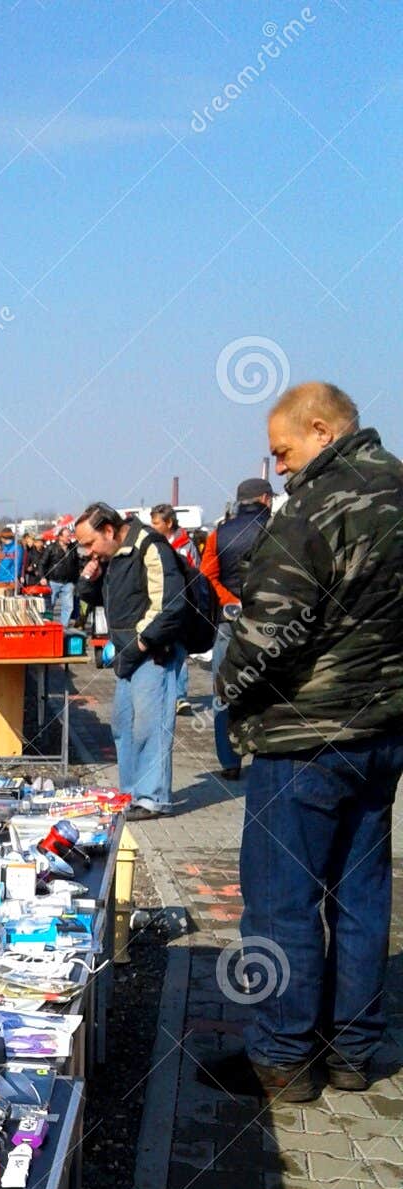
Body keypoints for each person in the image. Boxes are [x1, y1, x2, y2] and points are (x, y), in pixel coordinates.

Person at [215, 381, 403, 1102]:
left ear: (322, 430)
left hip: (305, 738)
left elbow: (268, 634)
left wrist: (228, 689)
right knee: (362, 896)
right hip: (383, 734)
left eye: (284, 452)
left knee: (282, 902)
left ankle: (283, 1057)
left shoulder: (314, 509)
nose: (280, 468)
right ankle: (353, 1050)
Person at [75, 502, 188, 819]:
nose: (88, 551)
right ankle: (131, 794)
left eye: (90, 543)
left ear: (109, 530)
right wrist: (88, 579)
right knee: (124, 726)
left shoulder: (150, 546)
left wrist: (142, 642)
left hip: (151, 652)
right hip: (127, 654)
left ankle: (152, 798)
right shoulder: (112, 556)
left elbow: (170, 603)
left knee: (149, 726)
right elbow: (97, 598)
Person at [199, 477, 273, 780]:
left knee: (224, 690)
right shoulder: (279, 529)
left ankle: (230, 762)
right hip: (271, 622)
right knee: (270, 687)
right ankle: (267, 755)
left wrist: (231, 601)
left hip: (228, 622)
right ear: (265, 499)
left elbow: (206, 576)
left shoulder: (218, 534)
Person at [149, 505, 197, 715]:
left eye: (156, 523)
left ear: (169, 523)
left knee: (179, 651)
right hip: (158, 605)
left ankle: (179, 697)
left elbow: (197, 574)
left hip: (183, 606)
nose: (152, 526)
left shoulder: (186, 546)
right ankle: (162, 693)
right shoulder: (152, 544)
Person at [42, 528, 80, 628]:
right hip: (53, 581)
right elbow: (42, 563)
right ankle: (48, 627)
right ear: (60, 537)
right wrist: (42, 577)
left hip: (68, 582)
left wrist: (77, 578)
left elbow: (77, 563)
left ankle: (63, 628)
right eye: (67, 536)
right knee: (50, 606)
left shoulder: (72, 548)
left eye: (70, 536)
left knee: (68, 607)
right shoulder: (51, 548)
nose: (69, 538)